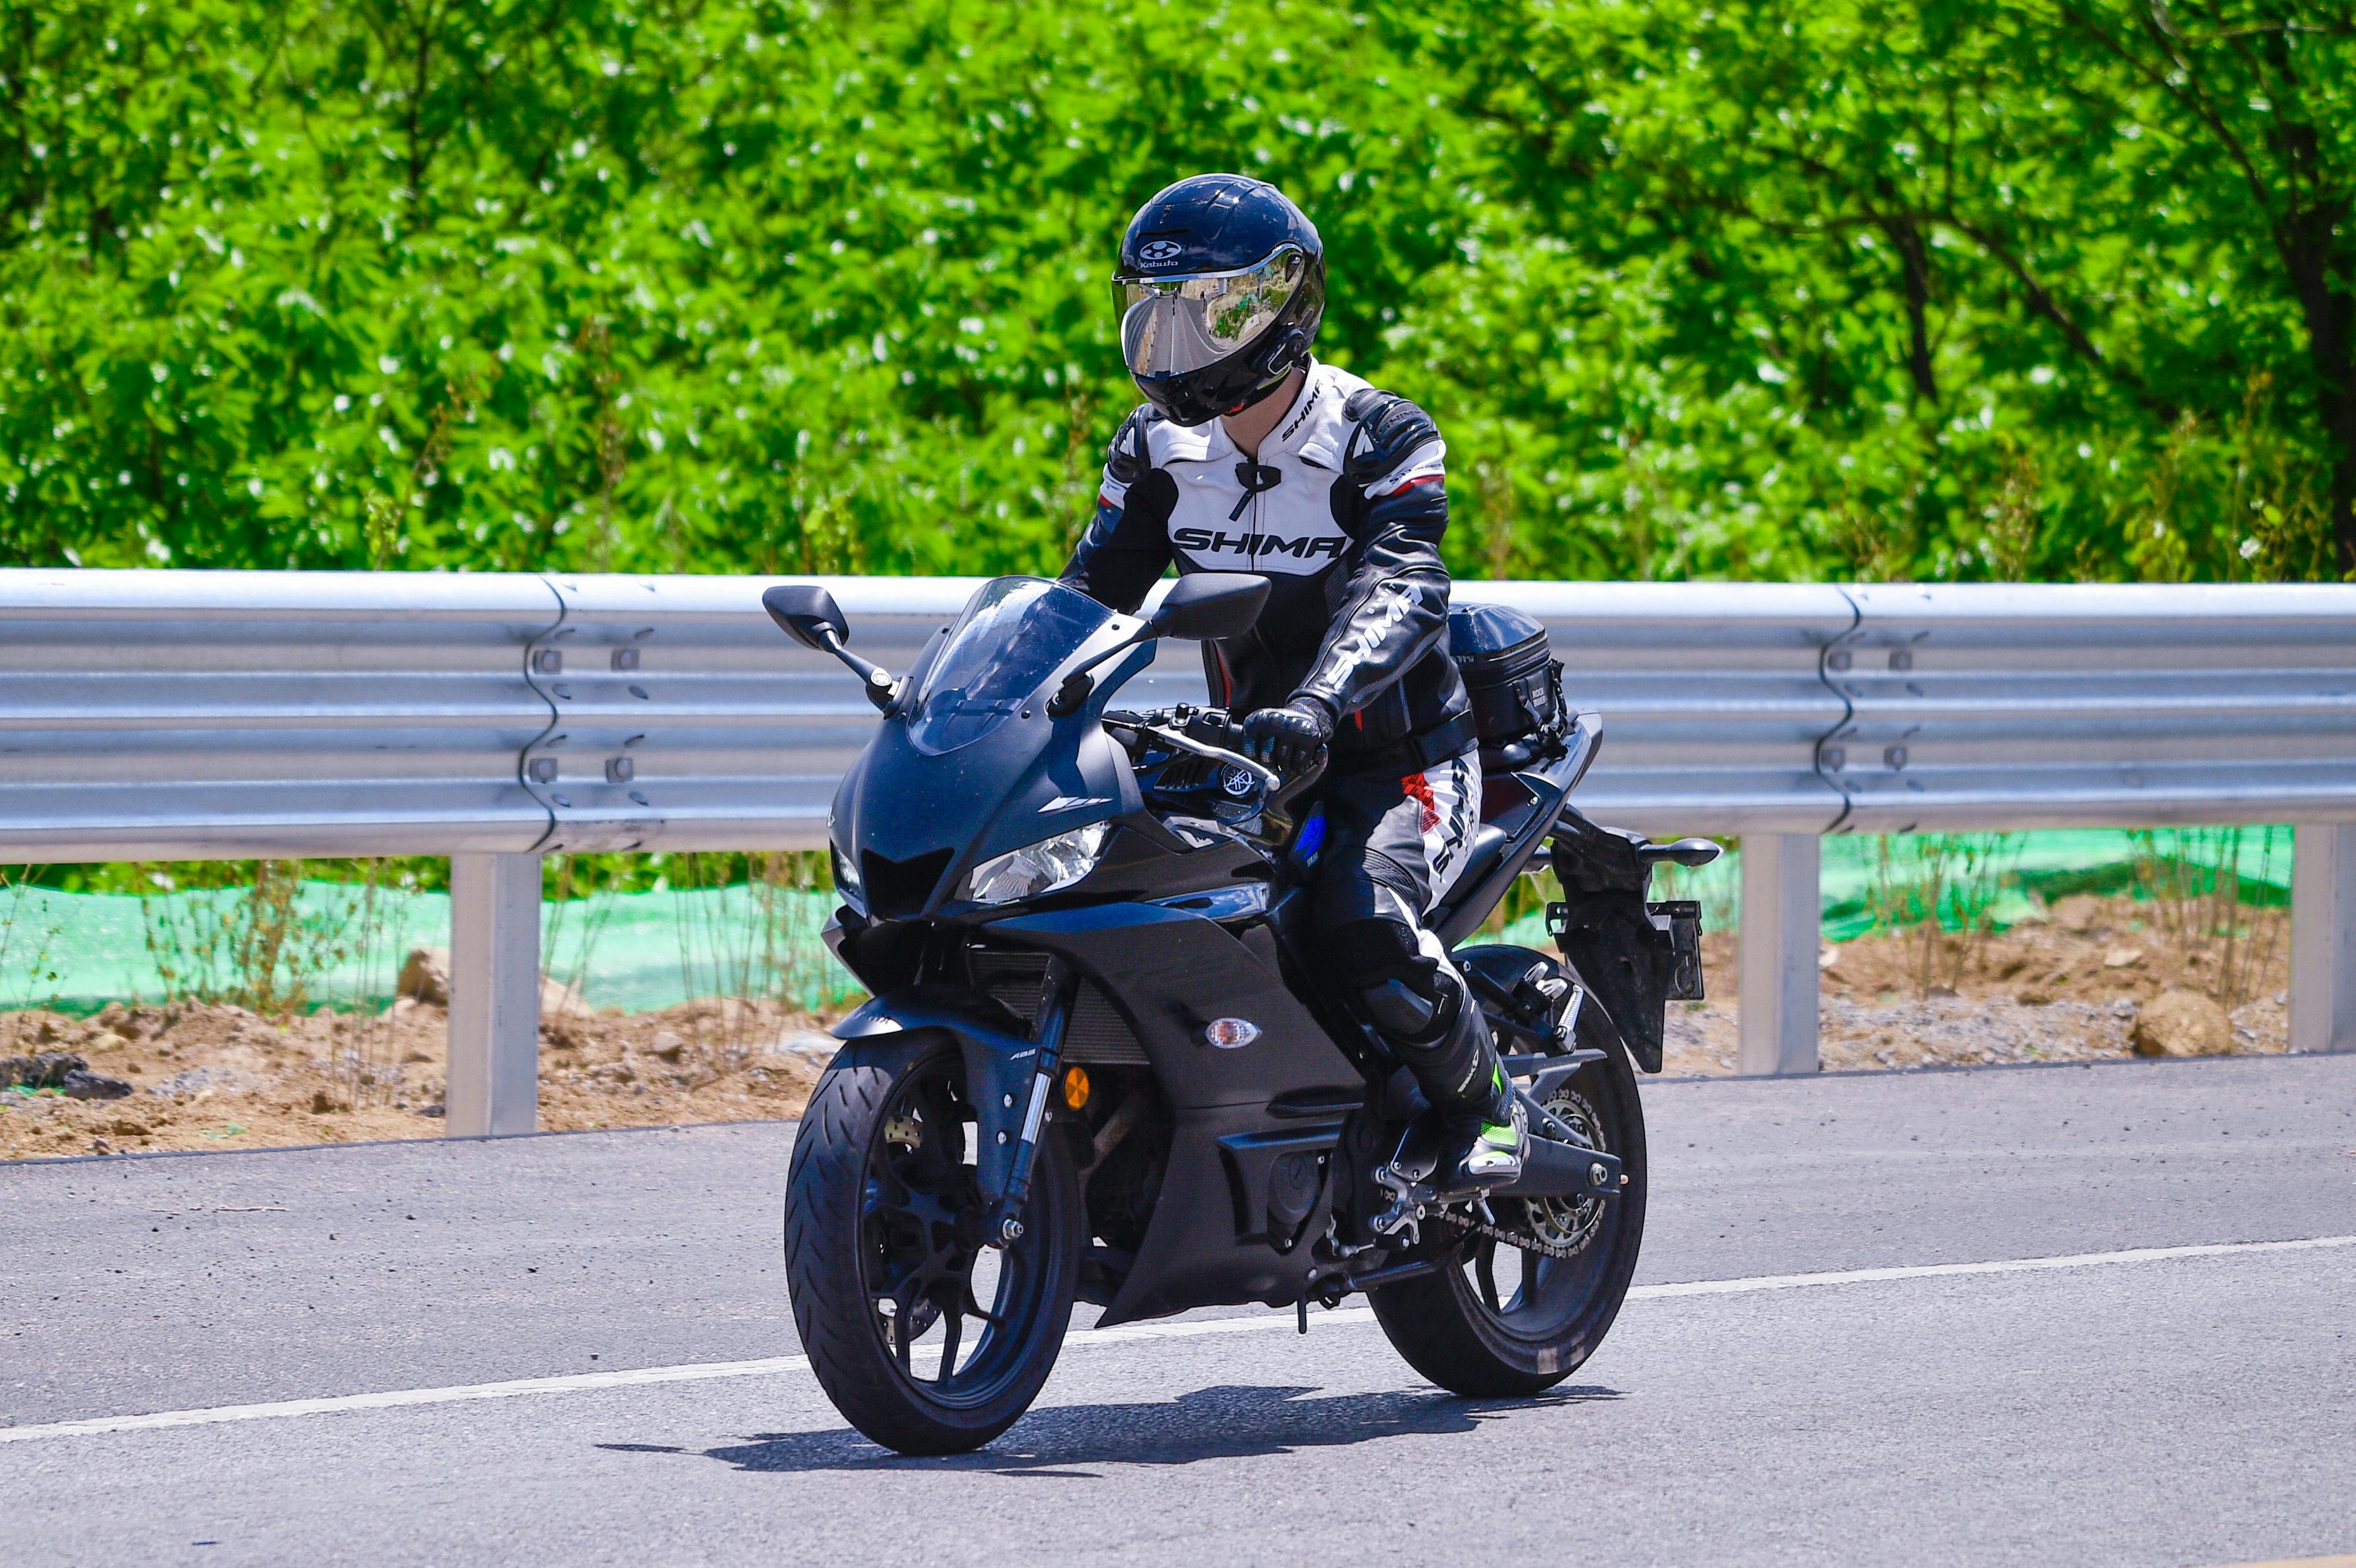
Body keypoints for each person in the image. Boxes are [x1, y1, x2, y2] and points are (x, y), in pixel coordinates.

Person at [1059, 172, 1524, 1190]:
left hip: (1398, 758)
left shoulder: (1379, 432)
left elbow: (1404, 583)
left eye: (1204, 316)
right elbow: (1088, 596)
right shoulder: (1154, 448)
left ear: (1282, 304)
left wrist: (1318, 702)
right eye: (1156, 315)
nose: (1172, 345)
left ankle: (1490, 1111)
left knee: (1358, 927)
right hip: (1248, 756)